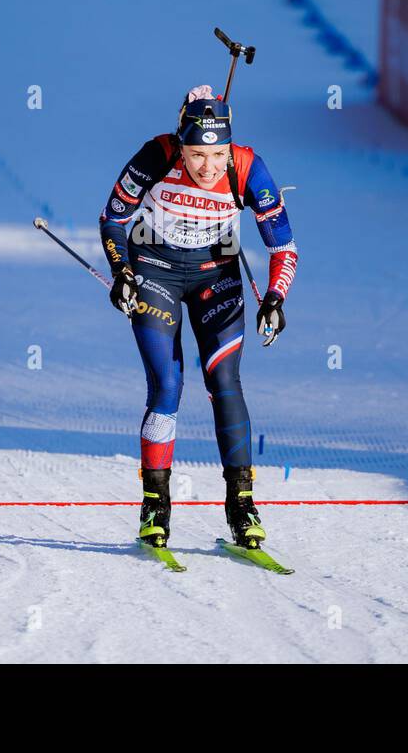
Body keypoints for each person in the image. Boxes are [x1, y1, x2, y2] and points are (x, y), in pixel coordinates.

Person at [99, 87, 298, 553]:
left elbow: (283, 246)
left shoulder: (248, 168)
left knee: (224, 379)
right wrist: (121, 272)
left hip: (218, 275)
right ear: (179, 145)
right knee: (167, 387)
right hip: (155, 270)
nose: (207, 167)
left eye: (216, 154)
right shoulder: (156, 155)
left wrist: (275, 296)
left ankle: (241, 504)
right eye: (195, 154)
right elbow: (113, 220)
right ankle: (155, 505)